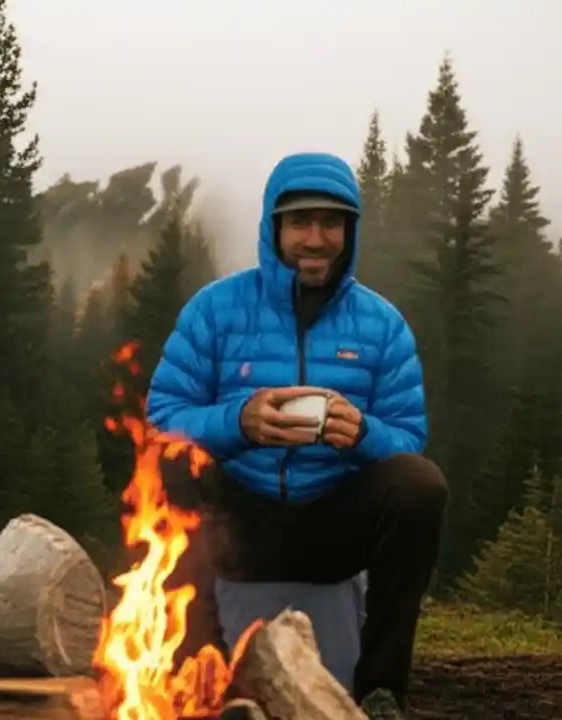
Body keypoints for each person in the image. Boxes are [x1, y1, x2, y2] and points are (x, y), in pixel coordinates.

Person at [144, 152, 448, 718]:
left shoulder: (382, 326)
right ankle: (201, 673)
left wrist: (363, 434)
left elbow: (409, 439)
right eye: (300, 222)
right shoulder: (214, 310)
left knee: (418, 486)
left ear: (349, 232)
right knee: (173, 462)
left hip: (330, 526)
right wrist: (239, 421)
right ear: (274, 227)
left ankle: (380, 690)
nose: (316, 238)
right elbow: (163, 415)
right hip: (239, 525)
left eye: (331, 223)